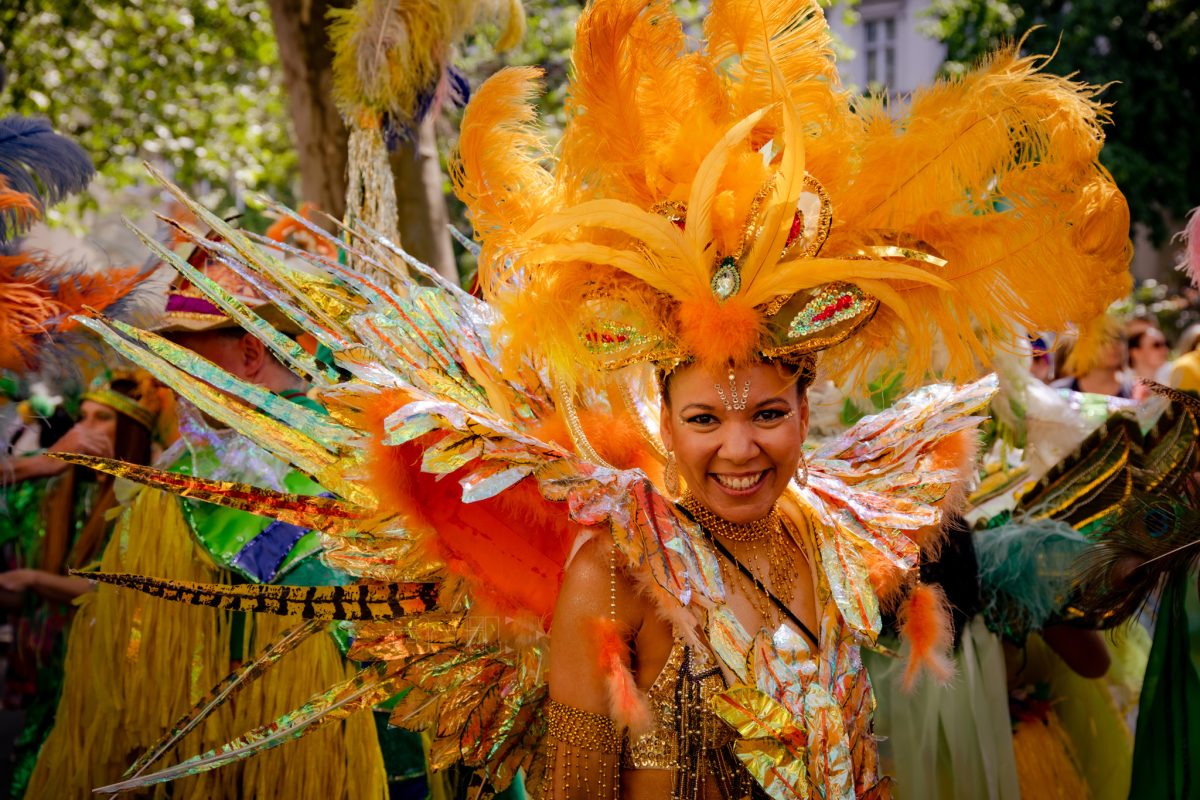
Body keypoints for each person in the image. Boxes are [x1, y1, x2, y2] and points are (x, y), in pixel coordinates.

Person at [69, 1, 1131, 797]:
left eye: (766, 412)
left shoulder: (843, 528)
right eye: (706, 419)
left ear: (808, 406)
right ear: (665, 417)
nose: (739, 450)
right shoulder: (615, 572)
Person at [25, 248, 386, 799]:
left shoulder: (222, 468)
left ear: (248, 353)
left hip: (302, 753)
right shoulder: (361, 443)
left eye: (190, 363)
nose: (172, 384)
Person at [0, 373, 165, 796]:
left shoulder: (146, 503)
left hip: (106, 685)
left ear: (128, 434)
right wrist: (42, 463)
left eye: (103, 419)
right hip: (45, 680)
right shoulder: (50, 491)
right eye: (83, 417)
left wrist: (34, 578)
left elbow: (119, 592)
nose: (85, 430)